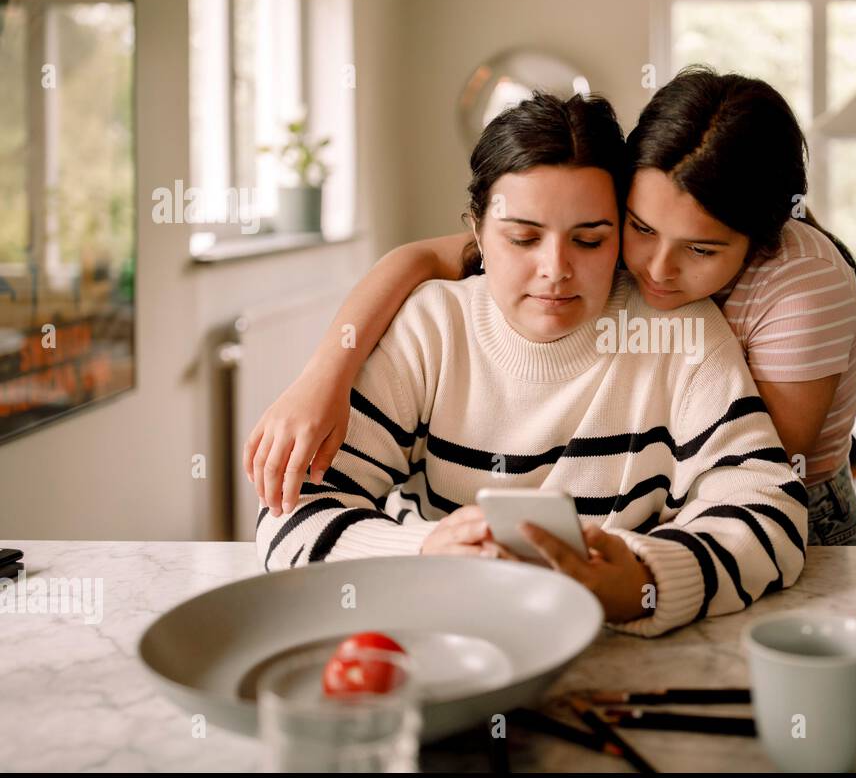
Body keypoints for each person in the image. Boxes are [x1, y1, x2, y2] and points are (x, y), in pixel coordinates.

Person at [253, 91, 807, 638]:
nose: (555, 270)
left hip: (612, 655)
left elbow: (770, 513)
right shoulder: (431, 328)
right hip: (448, 640)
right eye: (522, 237)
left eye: (590, 241)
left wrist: (646, 579)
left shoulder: (681, 331)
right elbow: (288, 515)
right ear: (476, 232)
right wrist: (421, 551)